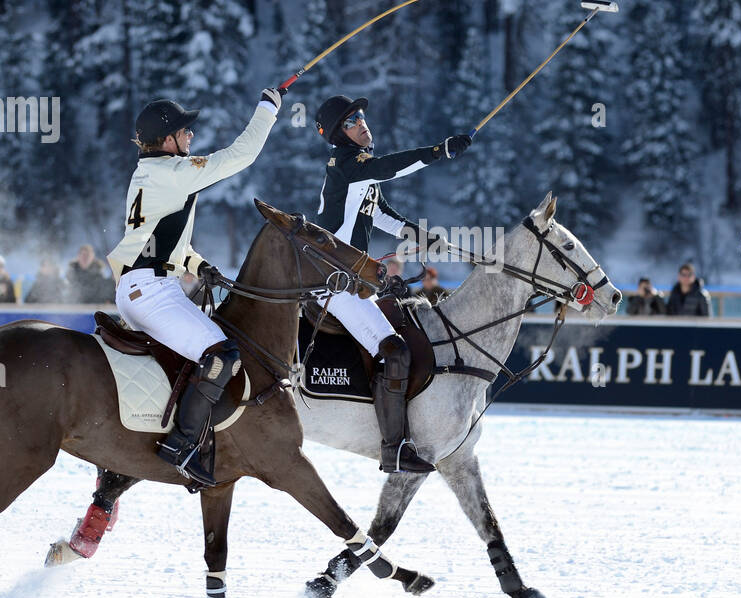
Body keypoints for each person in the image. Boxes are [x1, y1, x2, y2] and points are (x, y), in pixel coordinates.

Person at [108, 89, 281, 487]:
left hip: (138, 288)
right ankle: (182, 445)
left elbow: (166, 241)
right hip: (152, 292)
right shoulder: (174, 172)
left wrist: (200, 266)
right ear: (167, 139)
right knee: (222, 356)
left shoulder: (150, 173)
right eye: (186, 132)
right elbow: (241, 155)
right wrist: (267, 109)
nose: (191, 138)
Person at [314, 94, 470, 474]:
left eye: (362, 116)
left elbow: (381, 214)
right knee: (394, 351)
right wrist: (439, 151)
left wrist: (422, 236)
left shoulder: (359, 170)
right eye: (352, 122)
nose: (362, 124)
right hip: (331, 281)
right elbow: (390, 167)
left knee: (401, 344)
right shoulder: (348, 164)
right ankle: (392, 448)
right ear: (340, 135)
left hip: (349, 280)